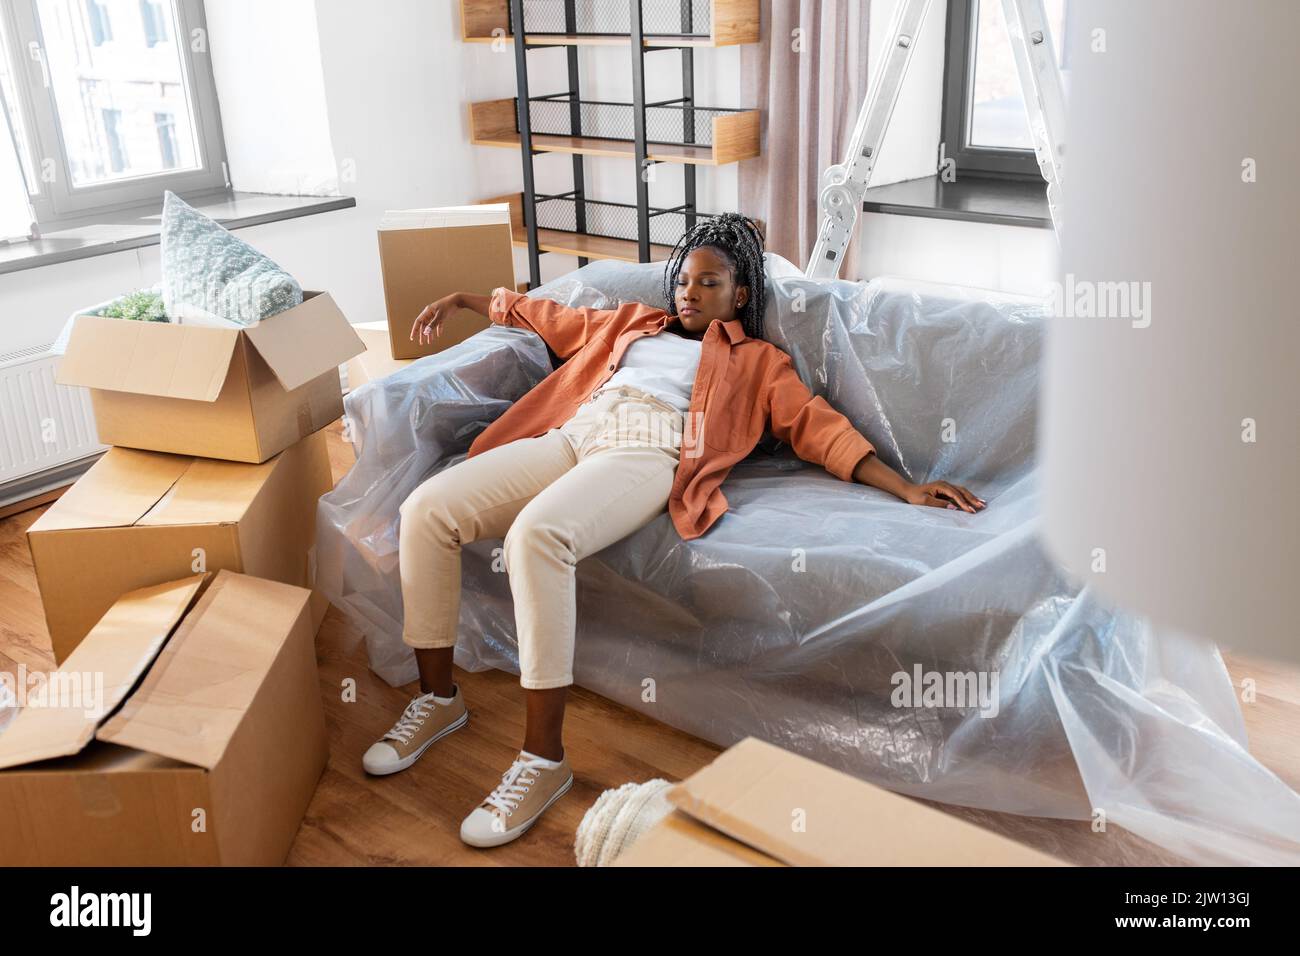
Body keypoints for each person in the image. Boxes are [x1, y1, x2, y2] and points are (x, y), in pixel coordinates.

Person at [362, 213, 985, 848]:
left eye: (708, 283)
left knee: (536, 537)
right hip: (575, 433)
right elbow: (550, 317)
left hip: (648, 449)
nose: (688, 292)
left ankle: (543, 760)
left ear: (739, 294)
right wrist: (468, 299)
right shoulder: (633, 323)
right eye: (683, 279)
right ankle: (438, 699)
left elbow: (816, 426)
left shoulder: (758, 362)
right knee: (426, 510)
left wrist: (905, 486)